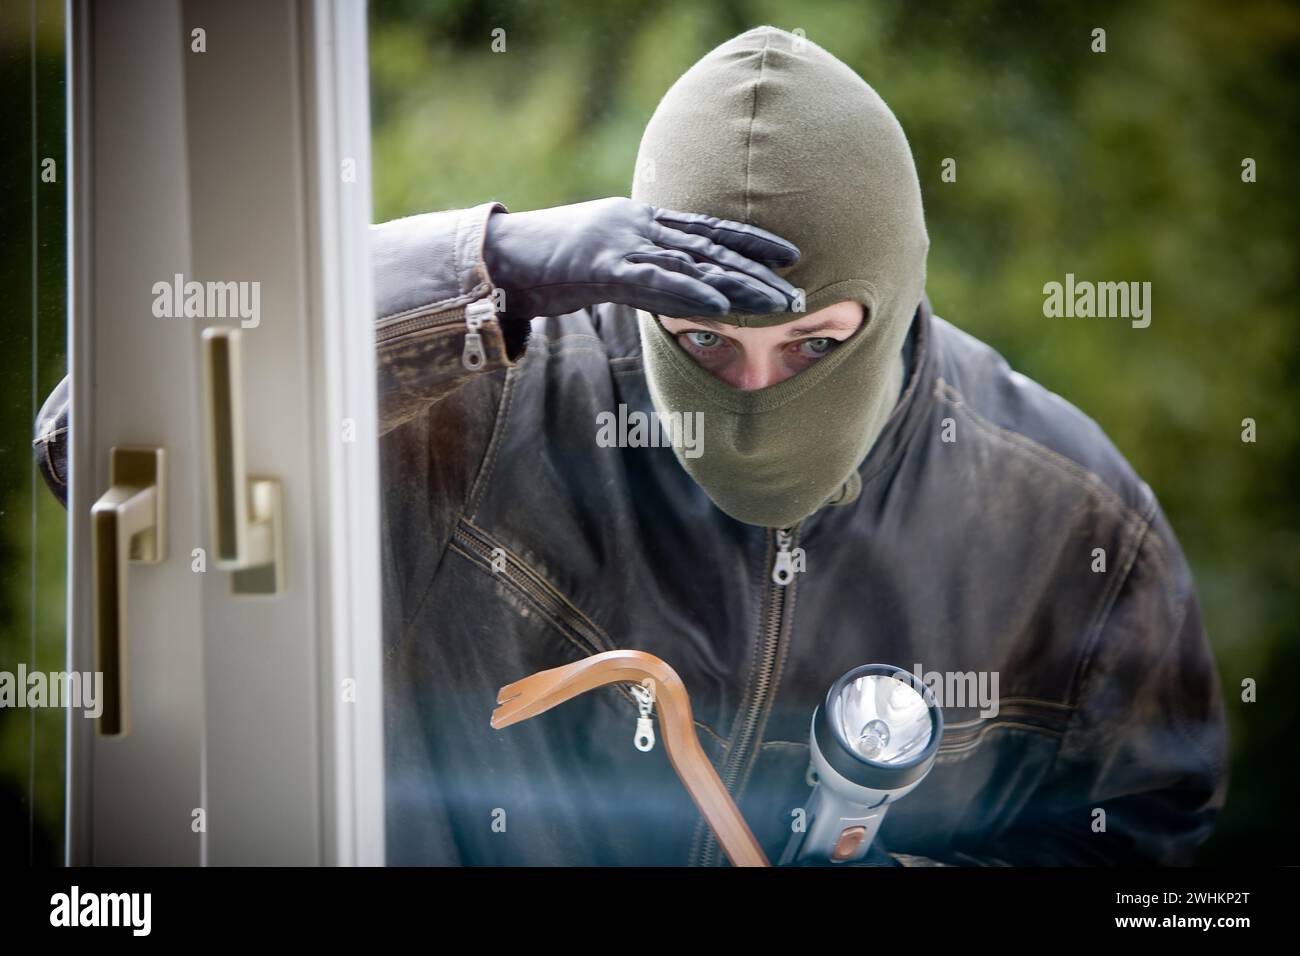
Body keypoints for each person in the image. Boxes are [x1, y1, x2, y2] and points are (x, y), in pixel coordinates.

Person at [36, 26, 1227, 866]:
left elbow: (1150, 843)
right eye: (703, 343)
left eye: (814, 347)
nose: (756, 393)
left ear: (901, 294)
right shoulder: (471, 406)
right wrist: (482, 265)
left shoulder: (1069, 519)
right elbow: (100, 438)